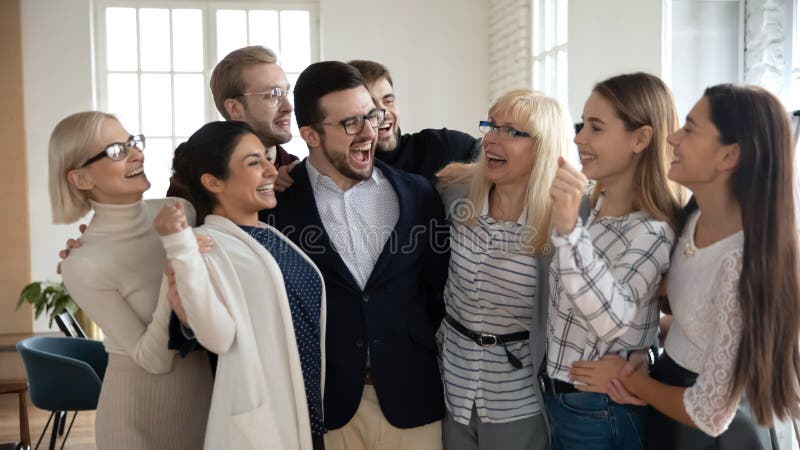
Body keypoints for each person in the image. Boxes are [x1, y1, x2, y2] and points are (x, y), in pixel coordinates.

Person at [571, 84, 800, 449]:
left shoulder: (740, 263)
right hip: (667, 394)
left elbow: (710, 414)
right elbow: (698, 323)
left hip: (709, 432)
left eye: (690, 128)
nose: (673, 138)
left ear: (730, 156)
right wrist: (639, 350)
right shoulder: (693, 215)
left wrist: (631, 380)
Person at [260, 61, 450, 450]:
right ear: (310, 134)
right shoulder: (277, 210)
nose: (369, 131)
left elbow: (437, 291)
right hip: (326, 408)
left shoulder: (418, 195)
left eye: (371, 116)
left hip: (413, 400)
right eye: (350, 123)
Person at [154, 120, 326, 450]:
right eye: (253, 162)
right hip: (262, 427)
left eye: (266, 158)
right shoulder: (202, 246)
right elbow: (217, 336)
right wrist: (179, 247)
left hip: (307, 416)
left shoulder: (272, 237)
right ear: (213, 182)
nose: (270, 170)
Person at [50, 111, 212, 449]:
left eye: (132, 142)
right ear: (81, 179)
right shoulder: (82, 263)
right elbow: (152, 358)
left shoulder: (181, 209)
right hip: (135, 420)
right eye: (115, 151)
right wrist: (175, 268)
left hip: (207, 403)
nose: (136, 154)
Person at [543, 72, 684, 449]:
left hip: (599, 409)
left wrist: (569, 229)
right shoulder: (597, 208)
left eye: (596, 128)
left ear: (640, 139)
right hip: (569, 402)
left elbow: (612, 317)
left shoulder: (653, 231)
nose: (578, 138)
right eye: (581, 125)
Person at [435, 88, 573, 450]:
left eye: (511, 131)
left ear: (542, 147)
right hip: (452, 382)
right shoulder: (457, 190)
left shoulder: (563, 218)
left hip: (519, 395)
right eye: (491, 126)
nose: (491, 139)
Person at [167, 45, 298, 199]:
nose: (288, 107)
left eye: (286, 92)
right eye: (273, 94)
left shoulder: (295, 171)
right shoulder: (196, 176)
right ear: (235, 108)